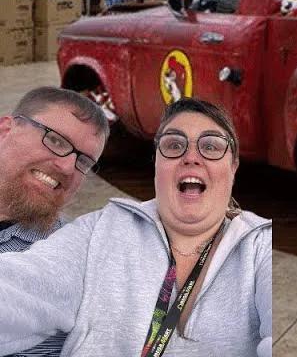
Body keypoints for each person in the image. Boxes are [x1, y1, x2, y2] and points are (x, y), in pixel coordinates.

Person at [0, 98, 272, 357]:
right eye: (174, 145)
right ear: (156, 163)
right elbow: (16, 291)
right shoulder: (101, 230)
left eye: (211, 147)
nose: (191, 157)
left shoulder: (260, 246)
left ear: (233, 166)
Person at [0, 87, 110, 357]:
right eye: (57, 141)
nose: (67, 168)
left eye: (83, 161)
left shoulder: (73, 262)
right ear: (4, 131)